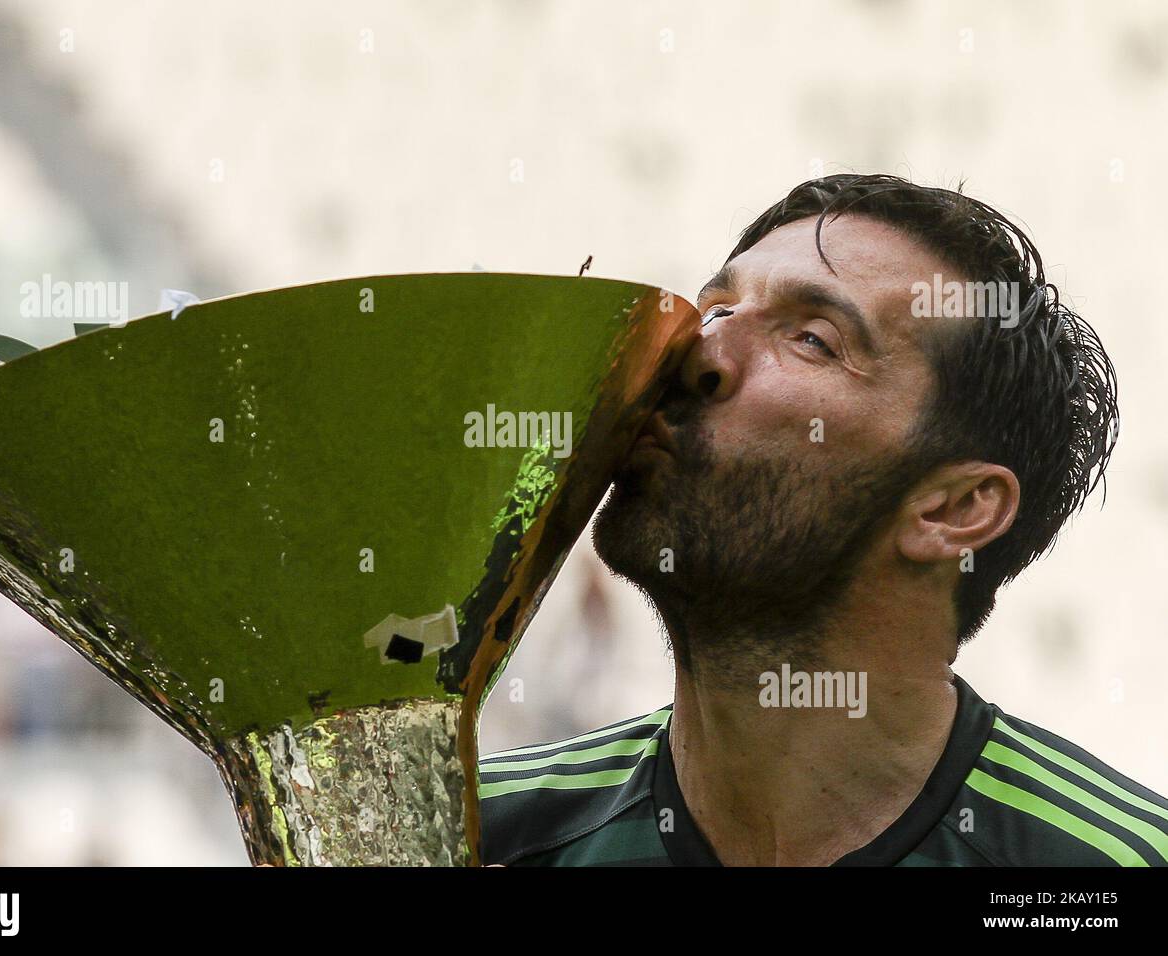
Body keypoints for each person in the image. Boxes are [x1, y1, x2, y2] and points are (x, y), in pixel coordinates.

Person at [479, 173, 1168, 866]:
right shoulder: (472, 838)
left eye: (812, 338)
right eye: (713, 311)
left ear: (954, 509)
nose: (697, 353)